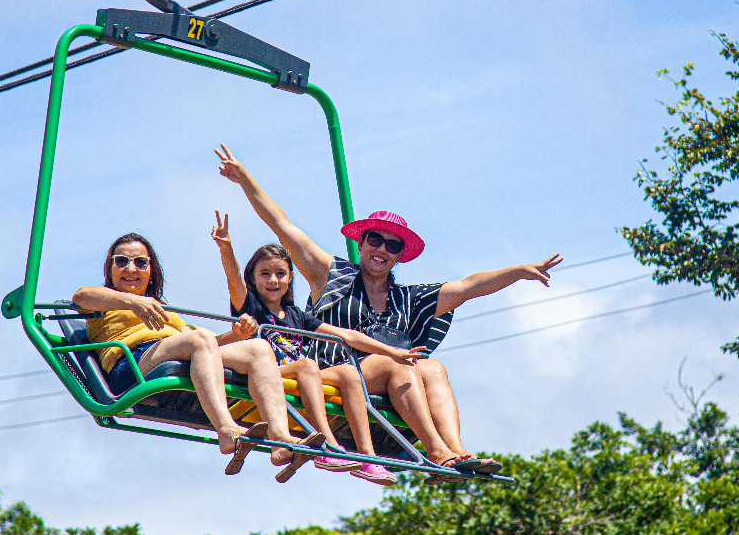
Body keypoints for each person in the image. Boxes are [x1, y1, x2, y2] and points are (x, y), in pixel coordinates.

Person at [215, 142, 562, 479]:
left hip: (388, 381)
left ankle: (455, 449)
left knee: (433, 366)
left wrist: (518, 272)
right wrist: (245, 180)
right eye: (375, 241)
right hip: (337, 373)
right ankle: (436, 450)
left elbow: (469, 285)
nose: (382, 249)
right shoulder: (332, 275)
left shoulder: (408, 298)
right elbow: (283, 226)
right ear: (362, 243)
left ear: (399, 254)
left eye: (392, 245)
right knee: (398, 363)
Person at [73, 232, 323, 481]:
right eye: (121, 261)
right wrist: (132, 302)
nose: (131, 268)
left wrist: (236, 335)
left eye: (140, 262)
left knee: (258, 348)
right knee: (199, 339)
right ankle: (226, 430)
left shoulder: (164, 311)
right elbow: (81, 296)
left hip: (171, 350)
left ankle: (279, 439)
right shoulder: (105, 302)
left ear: (151, 271)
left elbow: (208, 348)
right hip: (131, 366)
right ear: (111, 267)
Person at [212, 211, 424, 486]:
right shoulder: (250, 306)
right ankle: (328, 447)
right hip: (268, 376)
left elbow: (347, 336)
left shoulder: (297, 315)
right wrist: (226, 248)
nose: (273, 281)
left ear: (290, 279)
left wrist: (392, 353)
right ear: (252, 280)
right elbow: (234, 282)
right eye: (264, 274)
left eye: (280, 274)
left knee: (348, 373)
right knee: (308, 364)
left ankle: (368, 457)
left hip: (301, 375)